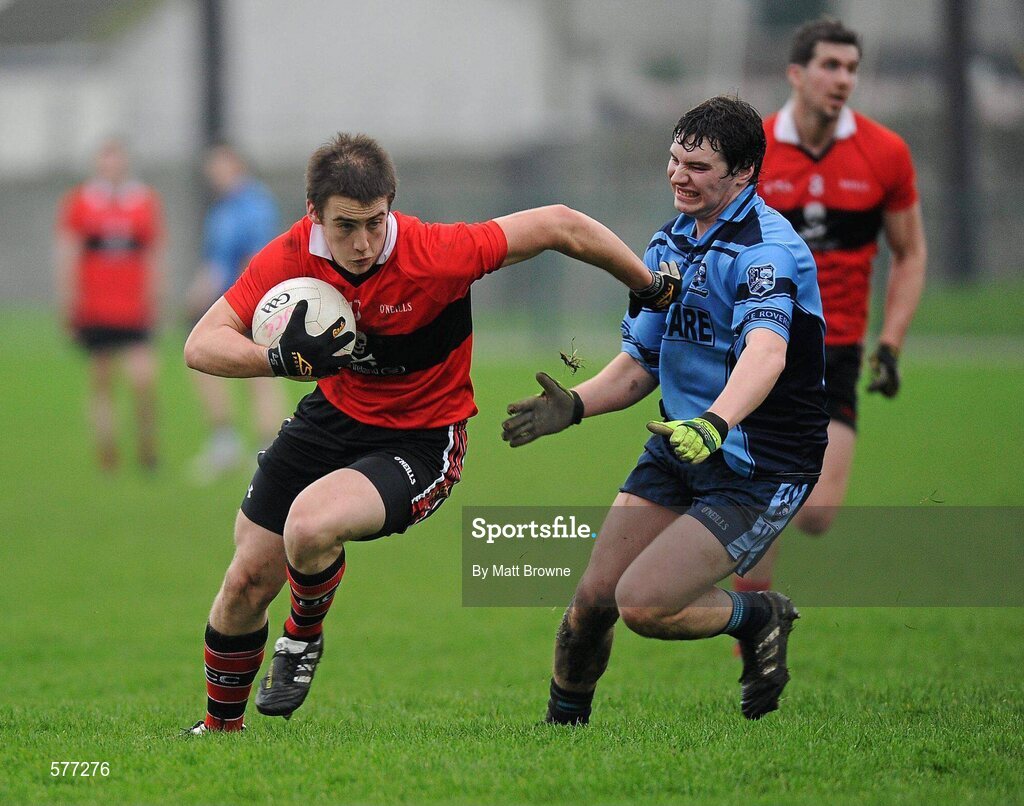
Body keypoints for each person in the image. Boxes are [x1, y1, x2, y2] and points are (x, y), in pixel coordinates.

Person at [182, 132, 679, 733]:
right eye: (345, 228)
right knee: (246, 579)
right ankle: (220, 732)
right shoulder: (291, 256)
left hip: (420, 438)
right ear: (313, 215)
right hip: (330, 419)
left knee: (310, 526)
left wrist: (647, 287)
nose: (363, 244)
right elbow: (200, 343)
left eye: (374, 222)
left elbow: (559, 224)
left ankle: (302, 638)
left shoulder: (438, 252)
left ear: (392, 203)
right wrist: (282, 361)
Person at [501, 96, 829, 723]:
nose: (679, 175)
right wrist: (574, 405)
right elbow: (640, 365)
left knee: (645, 605)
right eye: (674, 159)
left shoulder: (767, 253)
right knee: (592, 600)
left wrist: (714, 423)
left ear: (743, 174)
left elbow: (766, 354)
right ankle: (559, 739)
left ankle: (759, 614)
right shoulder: (668, 244)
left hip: (760, 465)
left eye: (699, 166)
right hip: (681, 443)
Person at [731, 17, 927, 596]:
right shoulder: (753, 152)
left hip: (834, 347)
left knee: (814, 514)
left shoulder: (885, 153)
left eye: (851, 69)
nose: (843, 79)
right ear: (797, 73)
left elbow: (910, 253)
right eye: (830, 66)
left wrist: (889, 343)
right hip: (757, 343)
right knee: (758, 501)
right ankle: (756, 647)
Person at [55, 138, 166, 471]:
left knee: (143, 380)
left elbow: (155, 254)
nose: (113, 166)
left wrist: (157, 298)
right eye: (107, 160)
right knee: (102, 382)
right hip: (96, 309)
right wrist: (68, 303)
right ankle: (108, 454)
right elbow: (67, 254)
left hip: (134, 309)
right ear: (98, 164)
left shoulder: (144, 201)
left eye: (118, 159)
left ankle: (148, 449)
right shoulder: (80, 202)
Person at [186, 142, 287, 482]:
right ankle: (224, 442)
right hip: (225, 305)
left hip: (251, 304)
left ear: (237, 165)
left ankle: (267, 448)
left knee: (260, 375)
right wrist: (199, 294)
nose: (214, 173)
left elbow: (257, 259)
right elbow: (214, 262)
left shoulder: (255, 204)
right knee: (204, 366)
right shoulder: (220, 210)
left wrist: (237, 298)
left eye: (220, 165)